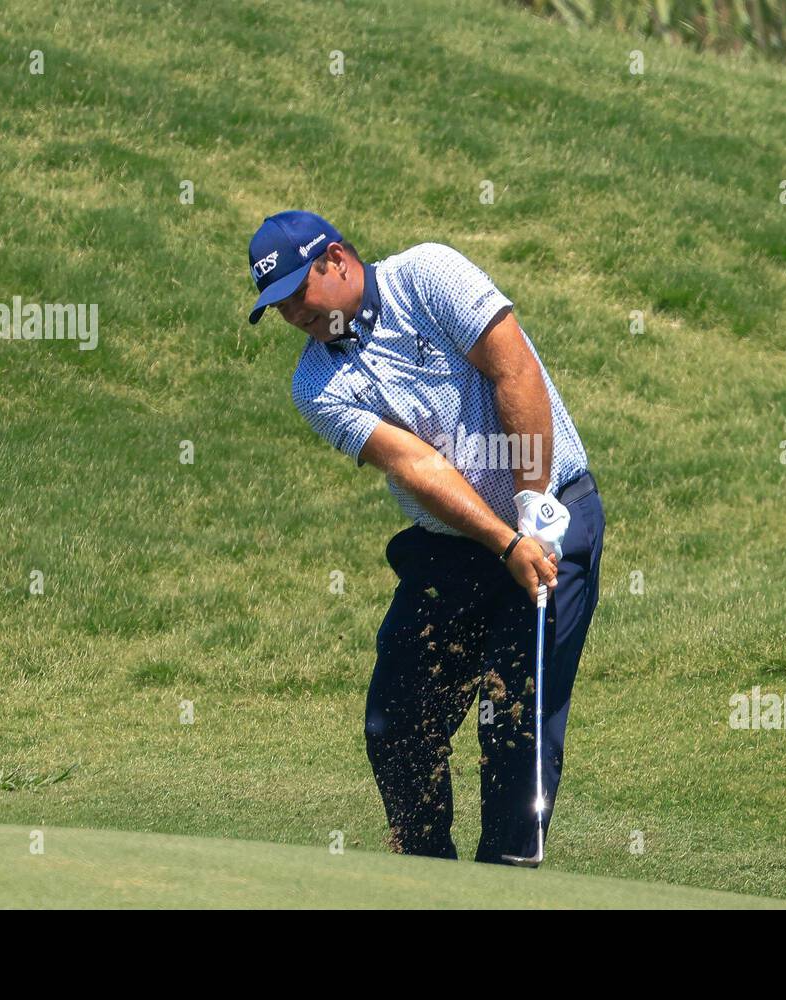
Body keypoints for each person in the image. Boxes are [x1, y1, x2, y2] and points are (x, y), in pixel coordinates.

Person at [246, 210, 604, 865]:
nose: (293, 312)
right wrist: (504, 540)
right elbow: (417, 466)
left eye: (299, 292)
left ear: (337, 259)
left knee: (514, 717)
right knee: (397, 717)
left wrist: (531, 510)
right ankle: (425, 875)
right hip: (456, 545)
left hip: (553, 509)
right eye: (278, 306)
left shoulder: (428, 274)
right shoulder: (316, 385)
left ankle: (506, 878)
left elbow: (512, 371)